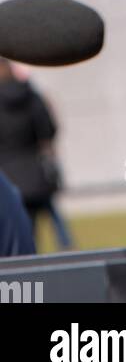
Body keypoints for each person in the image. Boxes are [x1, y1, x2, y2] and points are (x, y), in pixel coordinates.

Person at [0, 57, 73, 251]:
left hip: (8, 173)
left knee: (22, 227)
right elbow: (48, 129)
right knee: (54, 215)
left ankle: (32, 269)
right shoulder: (32, 96)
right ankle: (69, 250)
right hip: (35, 168)